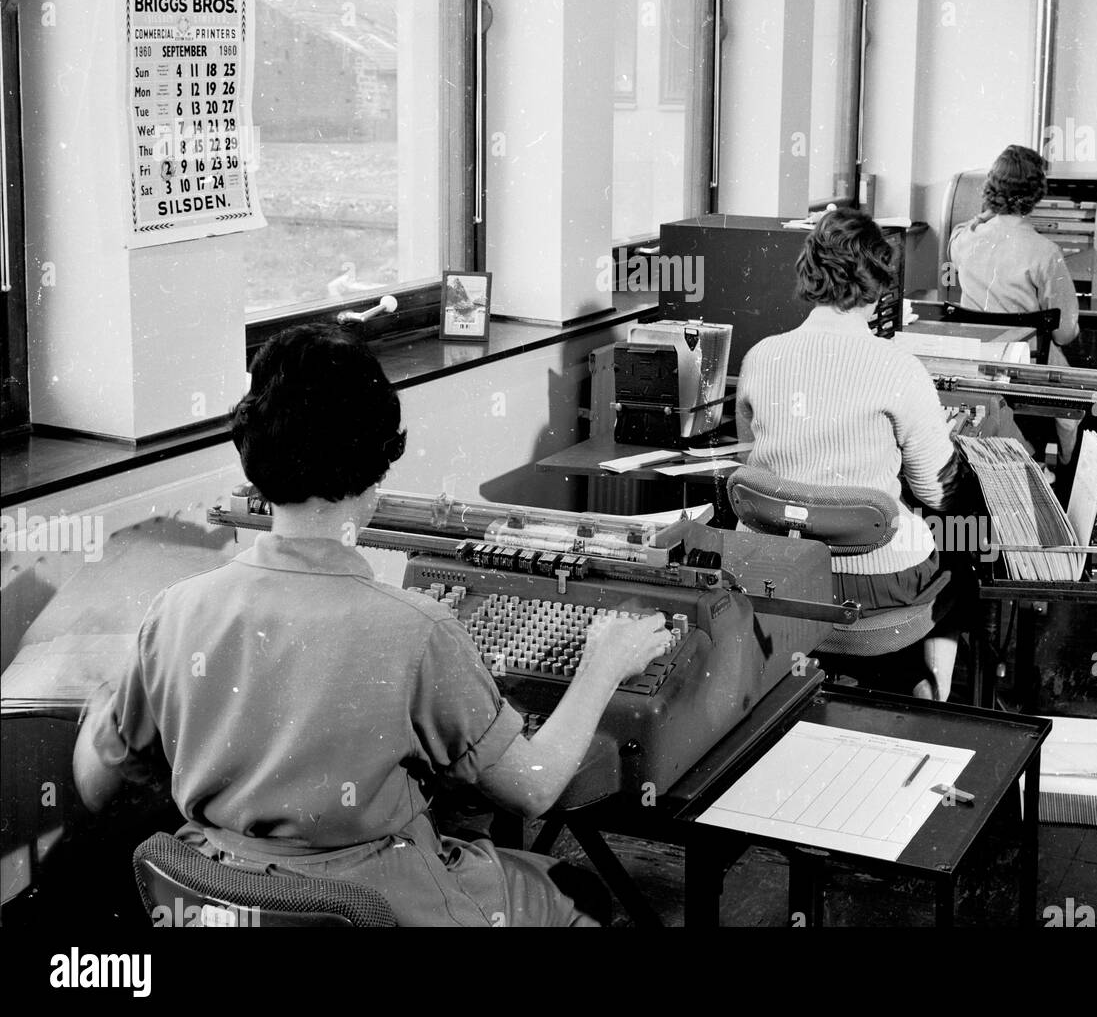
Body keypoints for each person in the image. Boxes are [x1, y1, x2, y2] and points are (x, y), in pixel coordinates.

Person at [73, 323, 669, 927]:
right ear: (379, 465)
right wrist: (603, 664)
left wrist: (108, 703)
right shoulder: (419, 630)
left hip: (218, 902)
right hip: (377, 907)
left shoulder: (174, 610)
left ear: (253, 457)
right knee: (575, 890)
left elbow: (97, 788)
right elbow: (535, 788)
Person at [736, 209, 968, 701]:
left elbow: (758, 467)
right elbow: (935, 492)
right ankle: (929, 690)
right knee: (966, 559)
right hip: (873, 584)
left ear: (809, 274)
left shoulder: (758, 358)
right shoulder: (900, 368)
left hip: (780, 576)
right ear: (880, 284)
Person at [948, 144, 1082, 464]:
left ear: (991, 190)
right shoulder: (1045, 252)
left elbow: (965, 230)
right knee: (1073, 404)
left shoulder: (963, 240)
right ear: (1037, 193)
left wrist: (989, 212)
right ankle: (1061, 467)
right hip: (1024, 367)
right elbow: (1065, 333)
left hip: (975, 363)